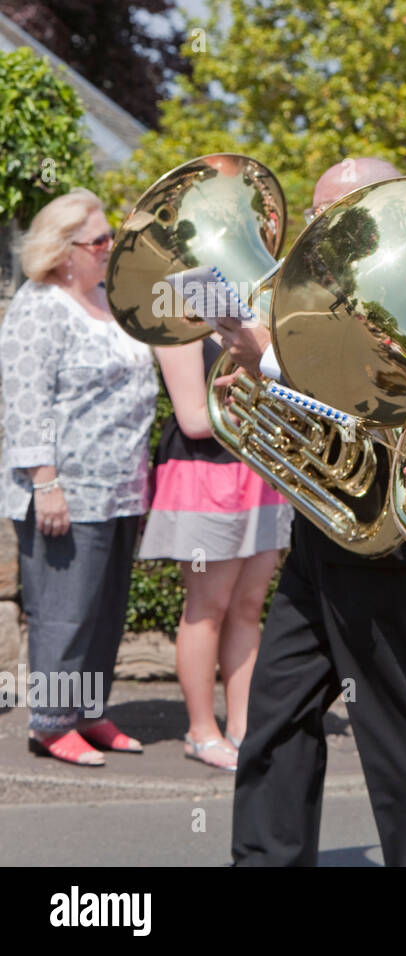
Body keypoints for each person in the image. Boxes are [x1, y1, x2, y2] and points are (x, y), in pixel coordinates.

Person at [220, 158, 406, 866]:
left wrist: (267, 361)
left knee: (397, 730)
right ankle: (265, 858)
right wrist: (255, 396)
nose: (314, 225)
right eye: (314, 211)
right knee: (277, 712)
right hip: (323, 531)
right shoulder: (318, 298)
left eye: (332, 211)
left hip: (379, 539)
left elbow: (373, 407)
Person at [0, 189, 157, 767]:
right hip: (66, 489)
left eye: (110, 237)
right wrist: (45, 481)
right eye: (100, 241)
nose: (110, 248)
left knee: (104, 608)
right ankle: (51, 721)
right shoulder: (40, 307)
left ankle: (87, 711)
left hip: (119, 488)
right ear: (63, 250)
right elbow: (25, 400)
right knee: (64, 610)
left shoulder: (108, 303)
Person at [137, 337, 292, 770]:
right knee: (207, 608)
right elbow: (191, 419)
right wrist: (262, 394)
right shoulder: (177, 324)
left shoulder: (251, 319)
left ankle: (243, 729)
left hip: (256, 468)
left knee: (247, 607)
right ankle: (200, 731)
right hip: (205, 475)